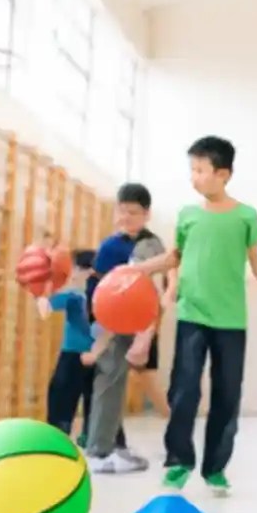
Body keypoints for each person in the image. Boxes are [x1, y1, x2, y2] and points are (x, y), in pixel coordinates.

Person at [146, 136, 257, 494]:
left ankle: (215, 469)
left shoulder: (245, 216)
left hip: (230, 321)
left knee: (227, 395)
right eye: (191, 170)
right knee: (184, 391)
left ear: (223, 174)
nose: (193, 177)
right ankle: (178, 462)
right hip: (192, 315)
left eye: (200, 170)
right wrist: (145, 275)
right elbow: (174, 258)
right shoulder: (187, 215)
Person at [81, 183, 163, 474]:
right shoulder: (110, 246)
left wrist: (145, 337)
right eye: (122, 210)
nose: (126, 217)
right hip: (107, 323)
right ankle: (99, 451)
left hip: (136, 322)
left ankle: (112, 445)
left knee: (119, 382)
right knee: (108, 381)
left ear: (146, 214)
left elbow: (154, 293)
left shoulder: (151, 246)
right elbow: (97, 288)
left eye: (134, 212)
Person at [37, 249, 97, 437]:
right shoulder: (90, 295)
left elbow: (44, 311)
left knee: (61, 397)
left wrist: (40, 292)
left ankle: (58, 436)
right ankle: (89, 437)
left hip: (73, 356)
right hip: (98, 354)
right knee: (94, 399)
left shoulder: (74, 295)